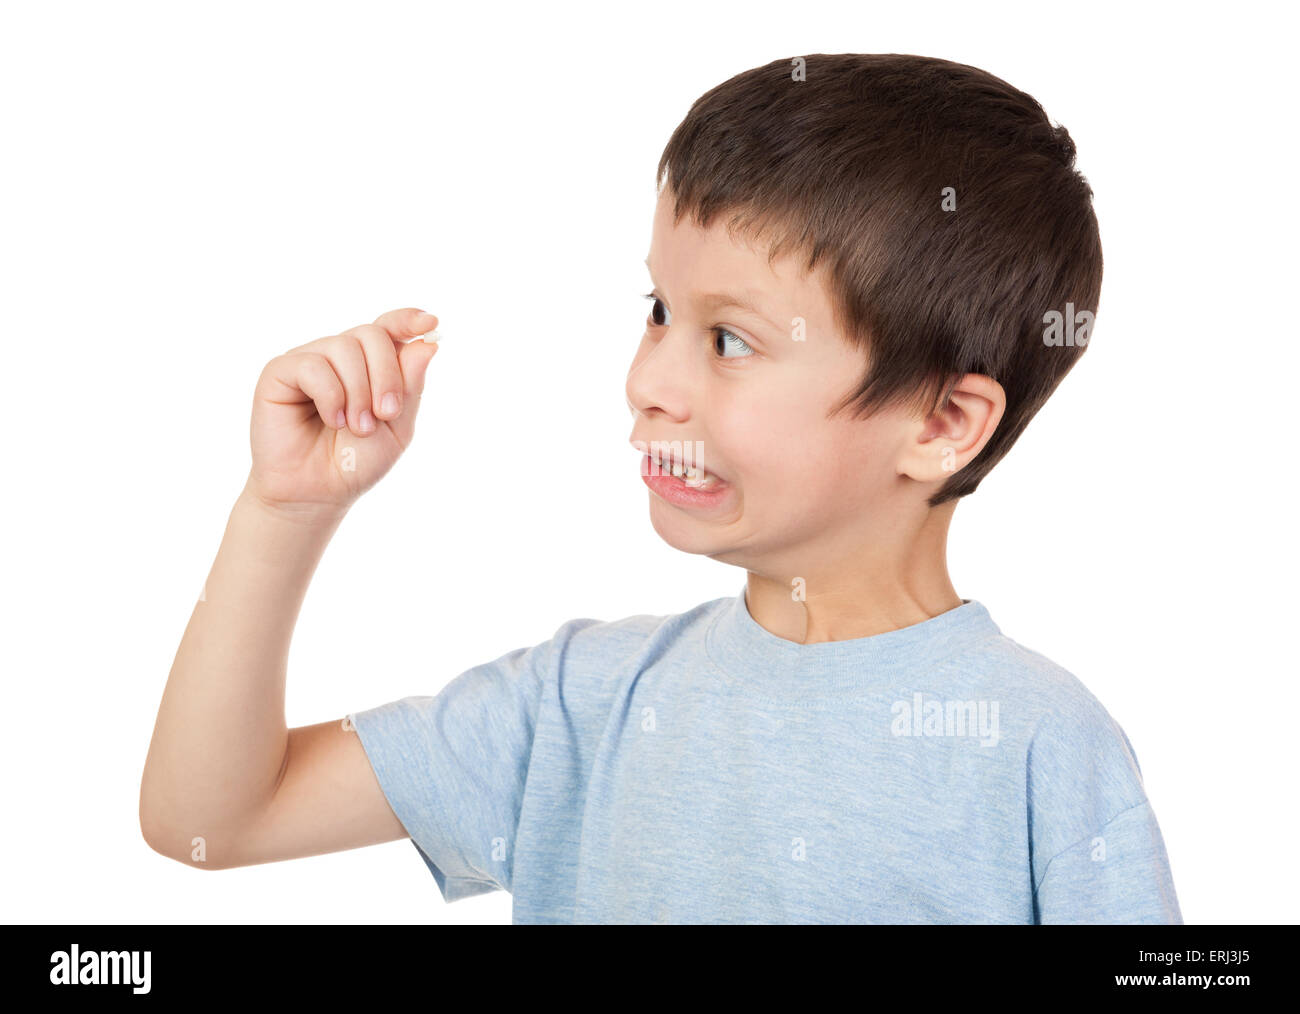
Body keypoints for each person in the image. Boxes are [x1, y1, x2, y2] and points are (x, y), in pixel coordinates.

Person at [140, 53, 1181, 924]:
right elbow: (213, 820)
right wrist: (287, 510)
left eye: (729, 338)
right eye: (656, 310)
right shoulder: (583, 701)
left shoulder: (1042, 743)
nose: (649, 383)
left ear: (941, 423)